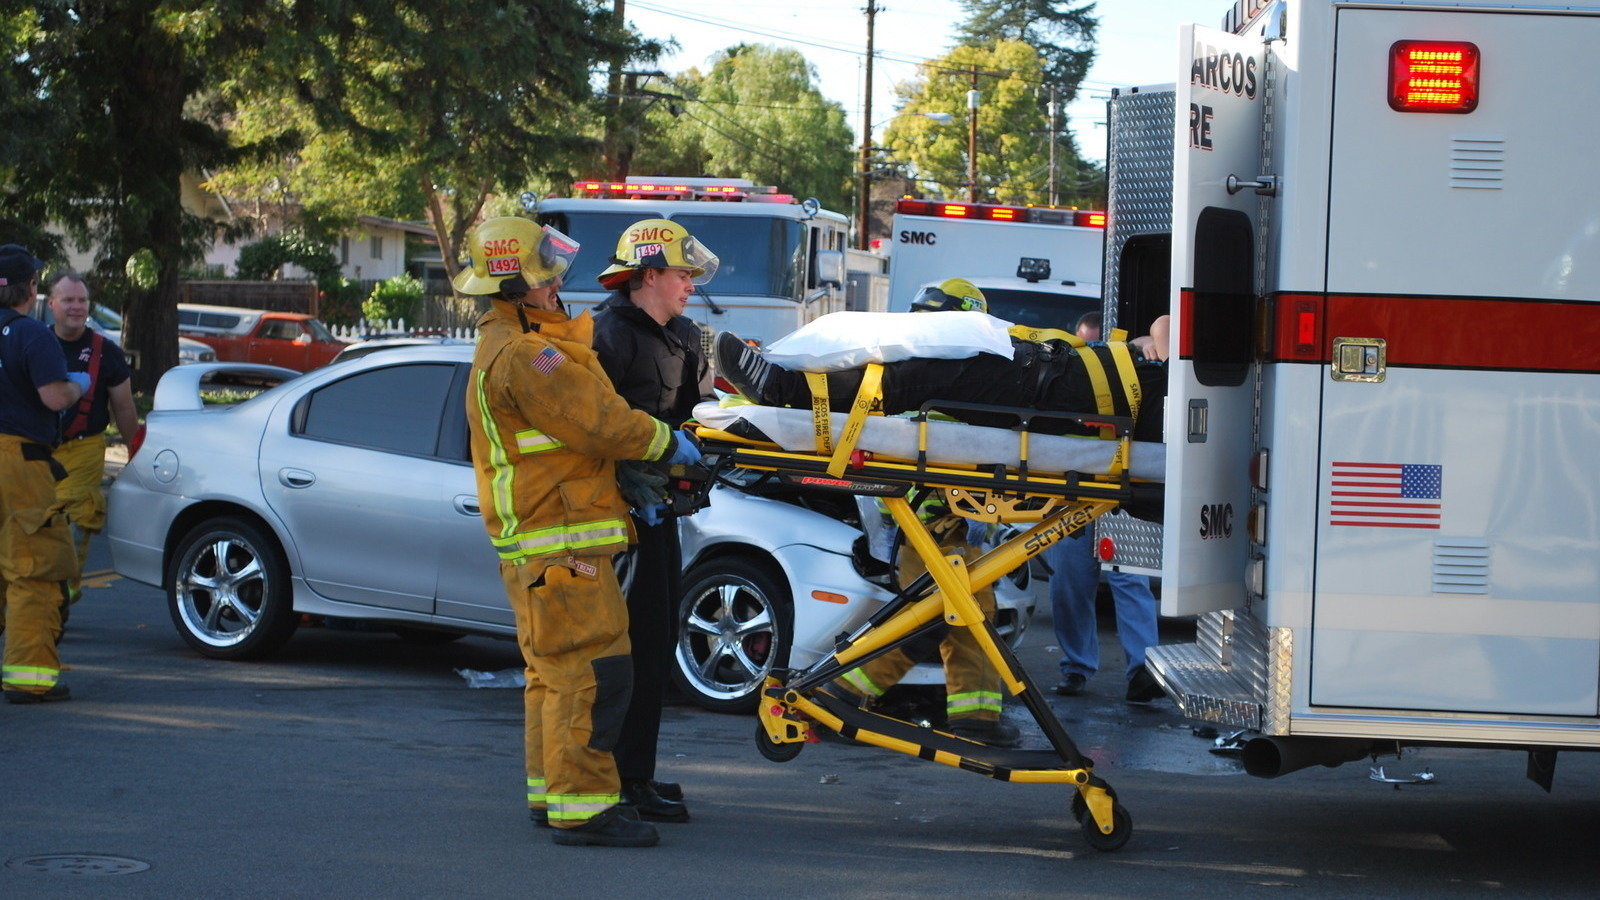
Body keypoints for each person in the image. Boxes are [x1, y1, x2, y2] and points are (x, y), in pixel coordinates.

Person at [458, 217, 702, 848]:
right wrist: (665, 442)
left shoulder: (517, 342)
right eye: (549, 274)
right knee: (592, 672)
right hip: (562, 540)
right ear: (518, 284)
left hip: (546, 541)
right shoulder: (527, 355)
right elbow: (598, 419)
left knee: (551, 674)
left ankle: (551, 794)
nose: (559, 282)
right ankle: (585, 808)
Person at [830, 279, 1021, 747]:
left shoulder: (944, 372)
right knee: (931, 618)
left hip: (950, 523)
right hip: (930, 525)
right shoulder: (927, 377)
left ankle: (977, 719)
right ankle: (842, 692)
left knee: (971, 619)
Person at [590, 219, 719, 822]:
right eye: (681, 273)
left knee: (658, 642)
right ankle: (612, 780)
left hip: (662, 513)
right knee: (627, 650)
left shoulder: (687, 336)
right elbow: (588, 426)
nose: (690, 283)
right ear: (648, 275)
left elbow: (694, 417)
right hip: (618, 519)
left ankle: (637, 775)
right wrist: (625, 477)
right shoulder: (606, 335)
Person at [1046, 310, 1164, 703]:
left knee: (1130, 581)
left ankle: (1142, 673)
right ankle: (1077, 668)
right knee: (1070, 583)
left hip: (1120, 493)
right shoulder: (1069, 377)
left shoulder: (1136, 372)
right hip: (1076, 492)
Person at [0, 244, 87, 704]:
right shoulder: (30, 334)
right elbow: (54, 398)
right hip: (19, 461)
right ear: (32, 288)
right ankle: (29, 678)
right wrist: (77, 385)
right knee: (34, 569)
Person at [46, 271, 139, 617]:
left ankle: (62, 592)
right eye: (68, 300)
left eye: (82, 300)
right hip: (37, 450)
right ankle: (41, 591)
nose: (76, 307)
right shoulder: (33, 344)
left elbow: (125, 409)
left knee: (75, 523)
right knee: (34, 525)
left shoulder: (107, 353)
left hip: (84, 450)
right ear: (51, 304)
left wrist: (136, 456)